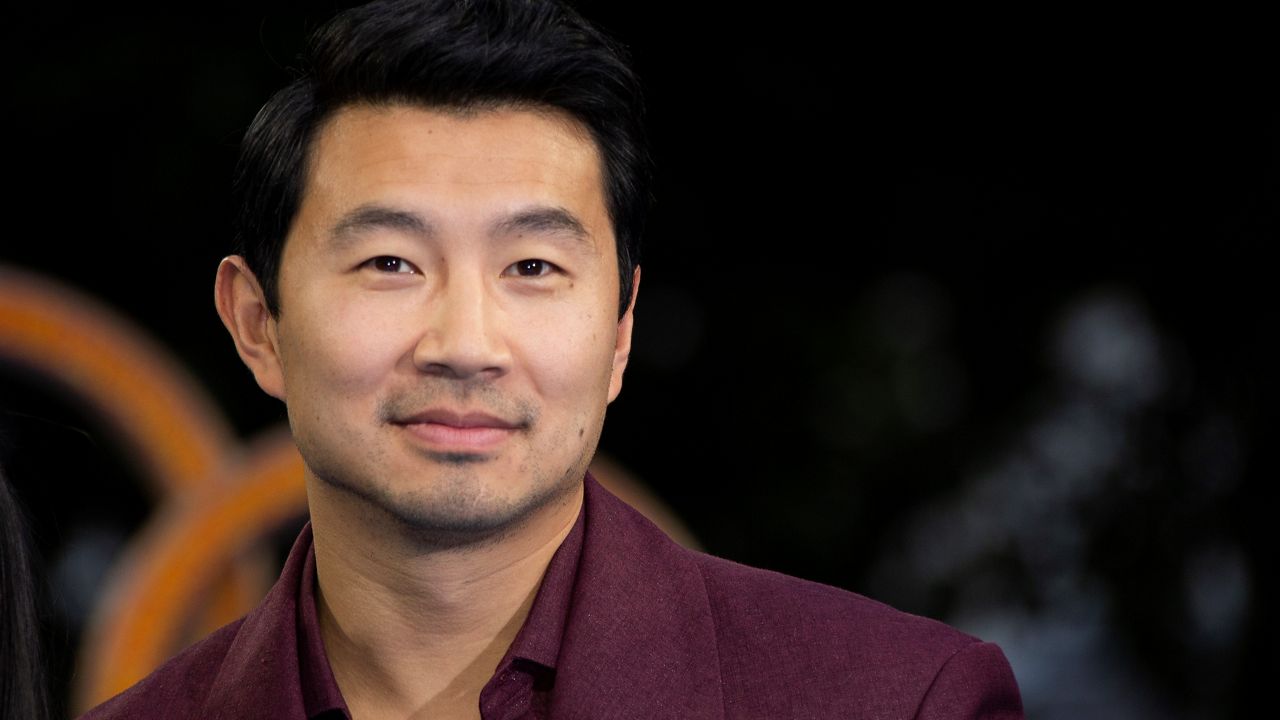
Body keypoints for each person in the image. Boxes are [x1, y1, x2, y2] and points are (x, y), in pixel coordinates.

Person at [82, 1, 1024, 717]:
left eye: (532, 266)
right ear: (257, 324)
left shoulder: (898, 701)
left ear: (619, 331)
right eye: (391, 263)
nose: (464, 345)